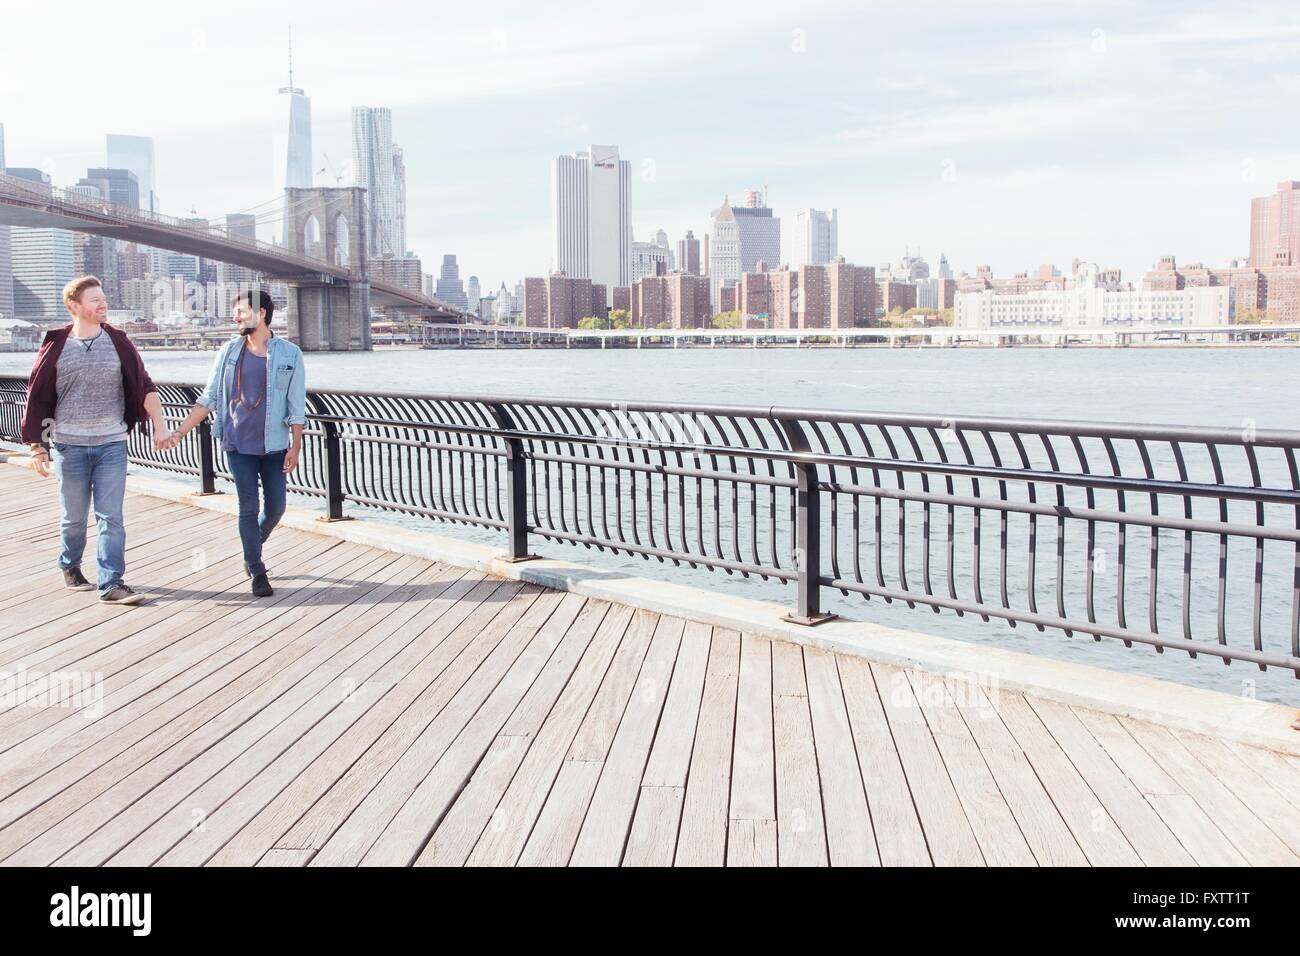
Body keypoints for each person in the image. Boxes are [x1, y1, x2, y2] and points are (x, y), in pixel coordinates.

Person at [21, 275, 174, 605]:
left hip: (111, 444)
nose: (103, 304)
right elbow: (39, 396)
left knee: (111, 517)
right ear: (75, 306)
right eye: (95, 300)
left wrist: (160, 427)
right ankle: (70, 565)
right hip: (68, 445)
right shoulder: (57, 345)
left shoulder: (118, 341)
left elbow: (145, 387)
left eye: (103, 298)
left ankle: (112, 583)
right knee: (74, 518)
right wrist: (38, 445)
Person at [165, 290, 305, 597]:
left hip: (275, 445)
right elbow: (210, 397)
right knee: (248, 506)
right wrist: (180, 432)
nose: (236, 317)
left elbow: (296, 406)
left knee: (277, 508)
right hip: (237, 443)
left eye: (241, 311)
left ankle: (253, 544)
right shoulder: (229, 351)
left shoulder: (290, 353)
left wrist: (295, 447)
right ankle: (256, 569)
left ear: (262, 314)